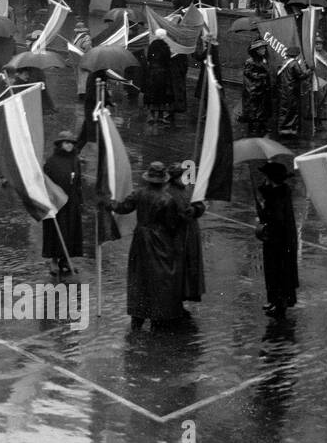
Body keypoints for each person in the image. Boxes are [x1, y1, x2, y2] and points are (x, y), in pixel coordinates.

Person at [103, 161, 190, 330]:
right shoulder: (168, 200)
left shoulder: (139, 194)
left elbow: (122, 207)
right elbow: (172, 225)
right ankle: (158, 315)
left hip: (140, 241)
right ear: (164, 180)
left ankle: (138, 315)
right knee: (160, 279)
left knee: (139, 278)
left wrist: (108, 202)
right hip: (160, 242)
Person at [255, 162, 299, 318]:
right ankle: (274, 300)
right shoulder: (275, 192)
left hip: (279, 242)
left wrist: (264, 211)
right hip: (277, 241)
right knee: (272, 272)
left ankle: (280, 304)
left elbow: (277, 219)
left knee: (279, 272)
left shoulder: (278, 196)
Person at [42, 132, 83, 277]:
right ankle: (53, 260)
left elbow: (78, 182)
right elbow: (45, 183)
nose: (69, 145)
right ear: (60, 144)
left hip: (72, 202)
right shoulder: (51, 162)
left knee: (70, 230)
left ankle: (66, 259)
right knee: (55, 230)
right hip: (56, 204)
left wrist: (79, 200)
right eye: (66, 142)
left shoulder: (75, 161)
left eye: (71, 143)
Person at [169, 161, 206, 304]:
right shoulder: (167, 192)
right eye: (178, 176)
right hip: (176, 235)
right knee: (178, 268)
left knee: (190, 266)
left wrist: (195, 210)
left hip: (190, 234)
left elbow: (200, 205)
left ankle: (188, 295)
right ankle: (176, 299)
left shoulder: (190, 189)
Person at [241, 41, 273, 136]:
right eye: (261, 49)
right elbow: (248, 73)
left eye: (264, 48)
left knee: (263, 108)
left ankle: (262, 126)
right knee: (253, 109)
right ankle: (253, 129)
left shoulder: (264, 60)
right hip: (254, 89)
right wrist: (261, 75)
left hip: (263, 88)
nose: (264, 50)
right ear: (256, 51)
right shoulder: (250, 61)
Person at [144, 29, 174, 125]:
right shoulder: (165, 46)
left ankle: (152, 115)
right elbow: (168, 60)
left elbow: (148, 57)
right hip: (163, 74)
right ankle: (161, 116)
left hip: (152, 73)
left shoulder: (152, 45)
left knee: (152, 93)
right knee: (162, 94)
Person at [71, 22, 92, 98]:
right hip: (78, 59)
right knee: (80, 76)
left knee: (84, 76)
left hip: (84, 59)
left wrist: (79, 50)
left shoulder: (86, 37)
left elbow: (87, 48)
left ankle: (83, 93)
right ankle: (81, 92)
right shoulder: (76, 37)